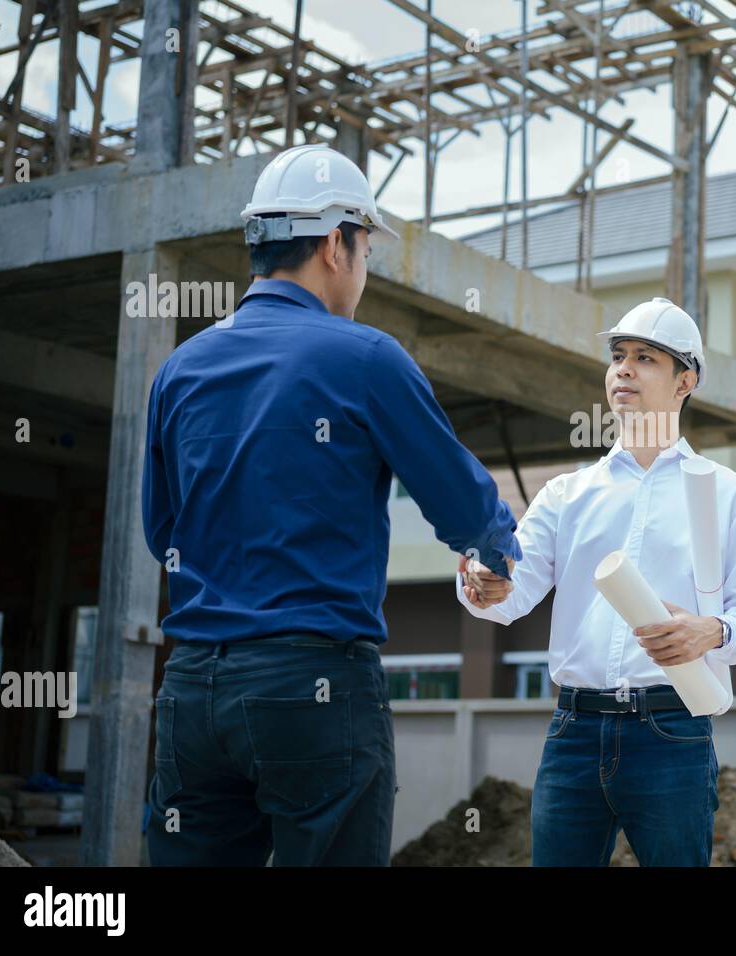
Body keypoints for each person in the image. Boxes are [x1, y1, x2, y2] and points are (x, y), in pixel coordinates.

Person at [142, 144, 519, 866]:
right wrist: (501, 552)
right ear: (332, 244)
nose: (365, 268)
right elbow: (461, 505)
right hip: (313, 689)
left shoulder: (179, 370)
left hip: (191, 690)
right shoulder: (365, 357)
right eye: (367, 247)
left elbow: (164, 533)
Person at [460, 297, 736, 866]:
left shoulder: (728, 495)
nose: (624, 369)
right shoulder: (567, 494)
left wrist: (711, 631)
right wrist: (486, 584)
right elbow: (511, 592)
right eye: (618, 355)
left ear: (687, 380)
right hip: (574, 730)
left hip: (673, 731)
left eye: (646, 358)